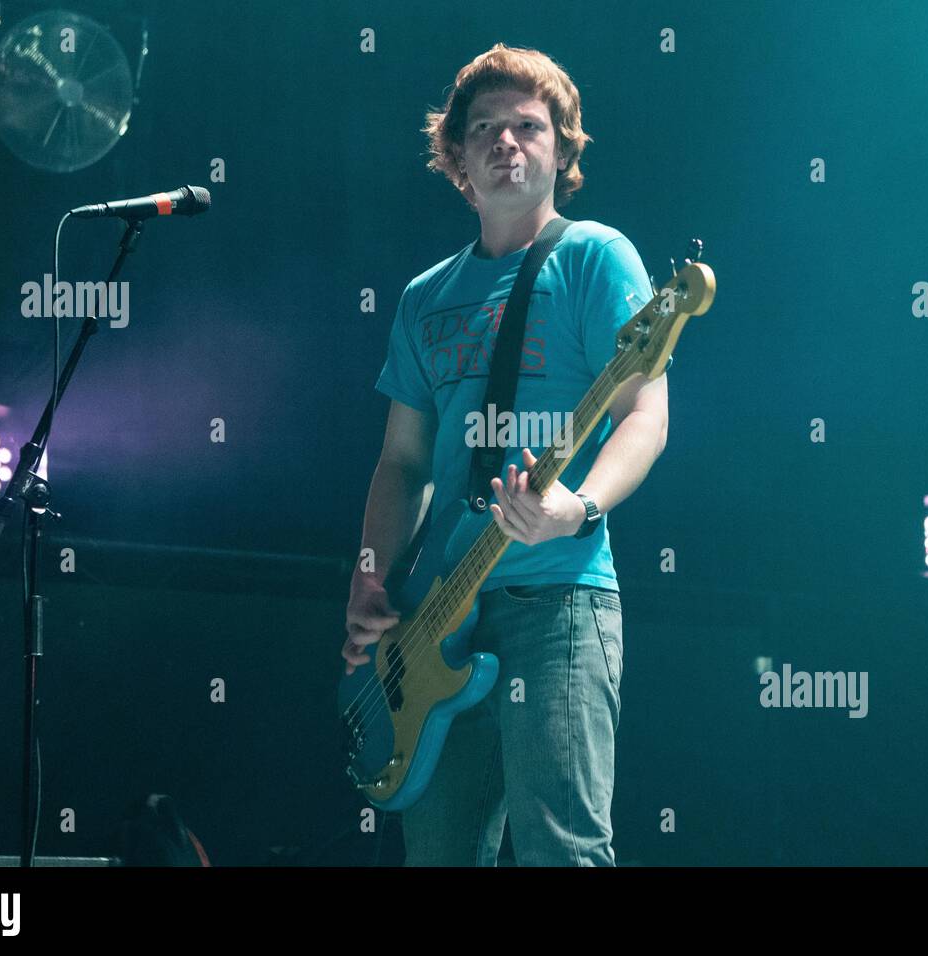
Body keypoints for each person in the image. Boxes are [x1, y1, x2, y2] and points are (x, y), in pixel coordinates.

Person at [341, 43, 668, 866]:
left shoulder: (596, 256)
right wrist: (371, 573)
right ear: (455, 158)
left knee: (563, 850)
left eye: (529, 125)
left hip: (557, 602)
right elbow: (402, 463)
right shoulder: (424, 297)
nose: (506, 141)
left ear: (563, 147)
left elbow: (645, 414)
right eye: (483, 127)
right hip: (436, 612)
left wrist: (577, 506)